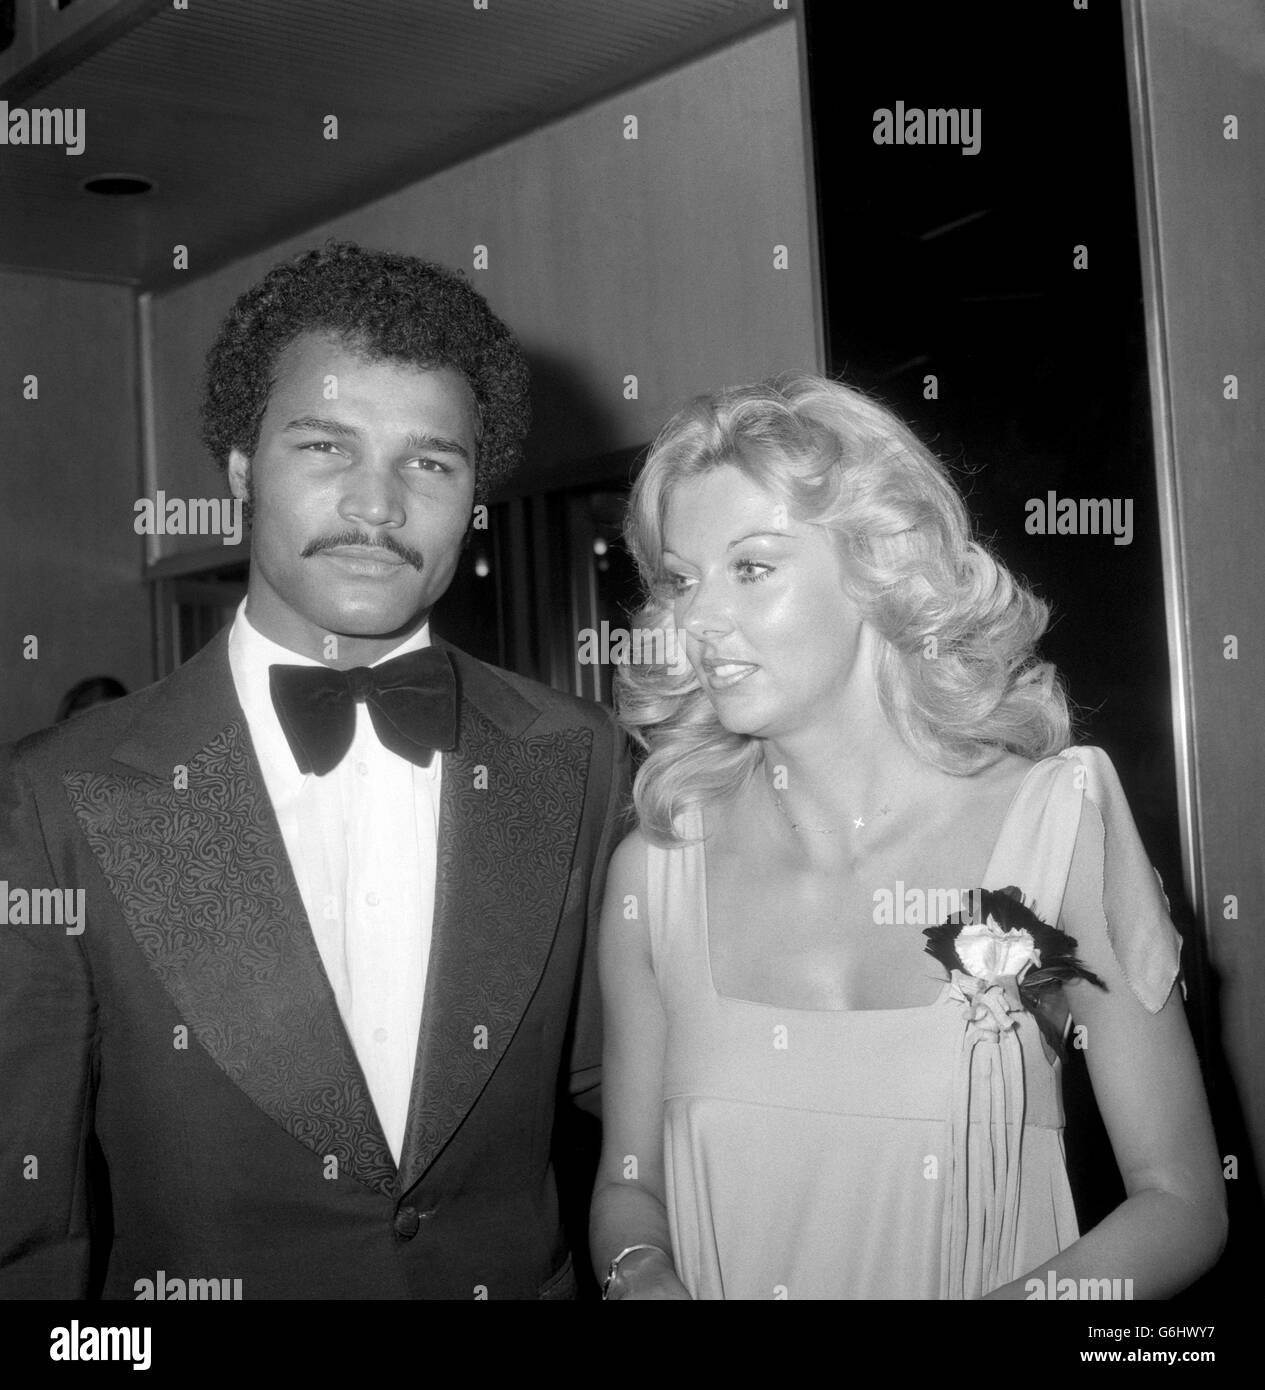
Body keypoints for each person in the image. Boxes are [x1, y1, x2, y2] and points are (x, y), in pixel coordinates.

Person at [0, 240, 628, 1300]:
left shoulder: (582, 758)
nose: (377, 508)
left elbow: (642, 1087)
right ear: (242, 470)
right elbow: (27, 1230)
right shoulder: (57, 794)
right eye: (326, 448)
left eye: (429, 462)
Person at [590, 374, 1226, 1300]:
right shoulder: (655, 871)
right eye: (680, 581)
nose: (697, 621)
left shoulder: (1053, 826)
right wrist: (640, 1270)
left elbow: (1179, 1204)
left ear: (876, 567)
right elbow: (625, 1184)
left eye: (752, 568)